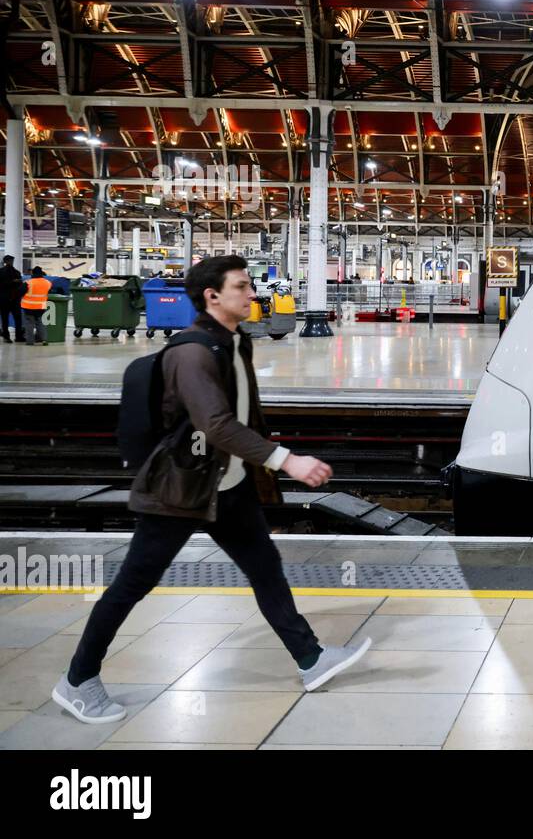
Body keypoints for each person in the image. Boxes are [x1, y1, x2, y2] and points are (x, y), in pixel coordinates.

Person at [53, 254, 371, 724]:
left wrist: (256, 467)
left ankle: (311, 658)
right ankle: (78, 680)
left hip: (227, 484)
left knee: (265, 567)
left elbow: (243, 415)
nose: (252, 293)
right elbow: (217, 424)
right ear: (213, 295)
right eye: (242, 286)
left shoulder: (233, 341)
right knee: (131, 585)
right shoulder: (192, 351)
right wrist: (288, 461)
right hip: (180, 488)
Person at [19, 265, 51, 345]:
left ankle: (30, 341)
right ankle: (44, 340)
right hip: (41, 307)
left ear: (33, 273)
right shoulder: (48, 283)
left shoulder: (28, 282)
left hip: (28, 307)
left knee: (29, 324)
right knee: (40, 323)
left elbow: (20, 292)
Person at [0, 255, 24, 343]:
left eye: (12, 260)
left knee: (17, 318)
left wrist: (18, 283)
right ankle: (7, 336)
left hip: (13, 299)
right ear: (6, 261)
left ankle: (18, 336)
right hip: (6, 299)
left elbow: (20, 284)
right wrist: (12, 282)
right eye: (10, 260)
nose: (11, 262)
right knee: (5, 318)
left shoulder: (16, 272)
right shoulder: (2, 272)